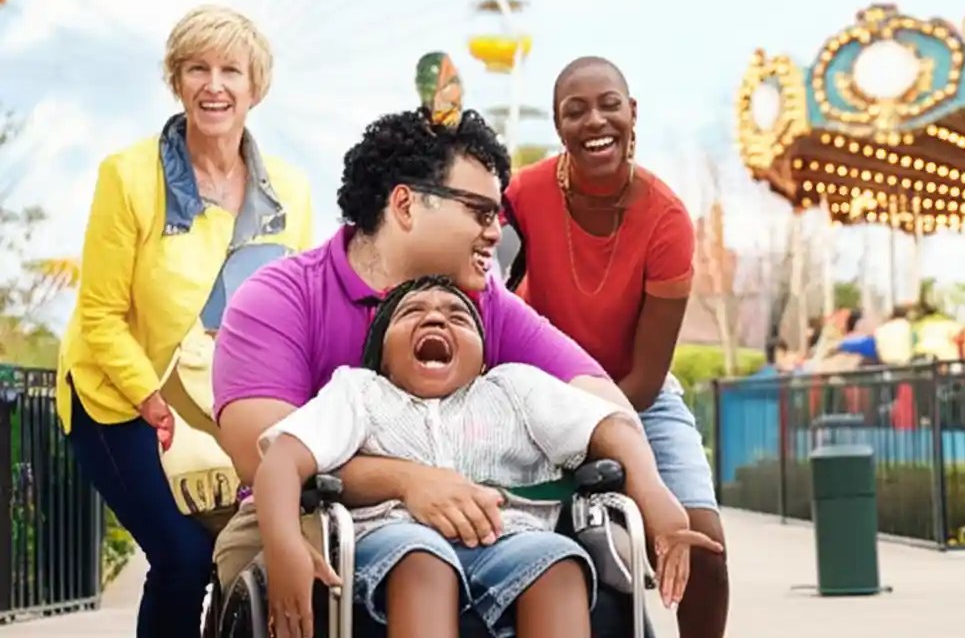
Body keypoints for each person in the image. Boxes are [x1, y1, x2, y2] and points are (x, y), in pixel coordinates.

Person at [210, 107, 644, 635]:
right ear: (405, 204)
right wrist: (410, 480)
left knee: (576, 576)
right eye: (481, 212)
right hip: (302, 514)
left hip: (485, 517)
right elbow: (260, 451)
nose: (497, 232)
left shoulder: (484, 307)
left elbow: (608, 409)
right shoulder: (281, 298)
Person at [255, 275, 719, 638]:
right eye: (412, 312)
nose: (435, 319)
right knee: (422, 556)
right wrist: (284, 545)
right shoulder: (360, 391)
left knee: (558, 557)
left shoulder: (512, 387)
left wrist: (652, 493)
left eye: (458, 317)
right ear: (382, 360)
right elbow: (282, 460)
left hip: (512, 534)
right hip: (395, 536)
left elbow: (610, 427)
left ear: (481, 360)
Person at [53, 5, 313, 638]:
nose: (214, 85)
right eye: (197, 69)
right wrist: (149, 398)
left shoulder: (292, 192)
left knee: (250, 551)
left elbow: (296, 315)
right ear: (177, 81)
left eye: (231, 70)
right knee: (181, 556)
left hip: (221, 403)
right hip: (118, 396)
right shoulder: (130, 176)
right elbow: (100, 314)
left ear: (256, 87)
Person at [503, 56, 730, 636]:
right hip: (537, 398)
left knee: (701, 542)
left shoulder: (668, 219)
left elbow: (649, 380)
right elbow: (479, 277)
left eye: (609, 104)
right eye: (574, 111)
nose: (594, 120)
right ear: (558, 127)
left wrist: (606, 447)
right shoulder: (524, 193)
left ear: (633, 114)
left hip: (635, 397)